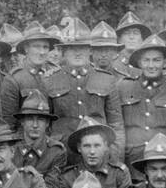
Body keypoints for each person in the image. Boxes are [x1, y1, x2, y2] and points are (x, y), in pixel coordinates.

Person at [42, 21, 124, 165]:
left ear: (90, 50)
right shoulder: (49, 80)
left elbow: (116, 124)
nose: (77, 53)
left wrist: (114, 157)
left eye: (82, 48)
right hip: (62, 154)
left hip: (98, 154)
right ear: (63, 52)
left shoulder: (106, 79)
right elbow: (45, 125)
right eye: (71, 48)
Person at [114, 32, 166, 168]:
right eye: (146, 60)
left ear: (165, 63)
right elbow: (117, 126)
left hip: (165, 159)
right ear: (139, 63)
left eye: (156, 60)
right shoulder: (123, 87)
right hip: (133, 159)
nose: (151, 65)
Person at [48, 116, 130, 188]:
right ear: (79, 148)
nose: (92, 151)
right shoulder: (68, 176)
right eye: (87, 146)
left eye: (97, 145)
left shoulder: (119, 173)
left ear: (105, 146)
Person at [0, 21, 60, 123]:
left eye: (45, 47)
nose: (42, 52)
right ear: (26, 48)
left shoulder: (56, 74)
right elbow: (9, 121)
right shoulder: (14, 78)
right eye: (36, 46)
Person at [12, 89, 68, 177]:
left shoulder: (56, 151)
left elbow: (53, 185)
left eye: (40, 120)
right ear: (22, 122)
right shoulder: (10, 147)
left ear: (47, 123)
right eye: (30, 119)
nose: (35, 125)